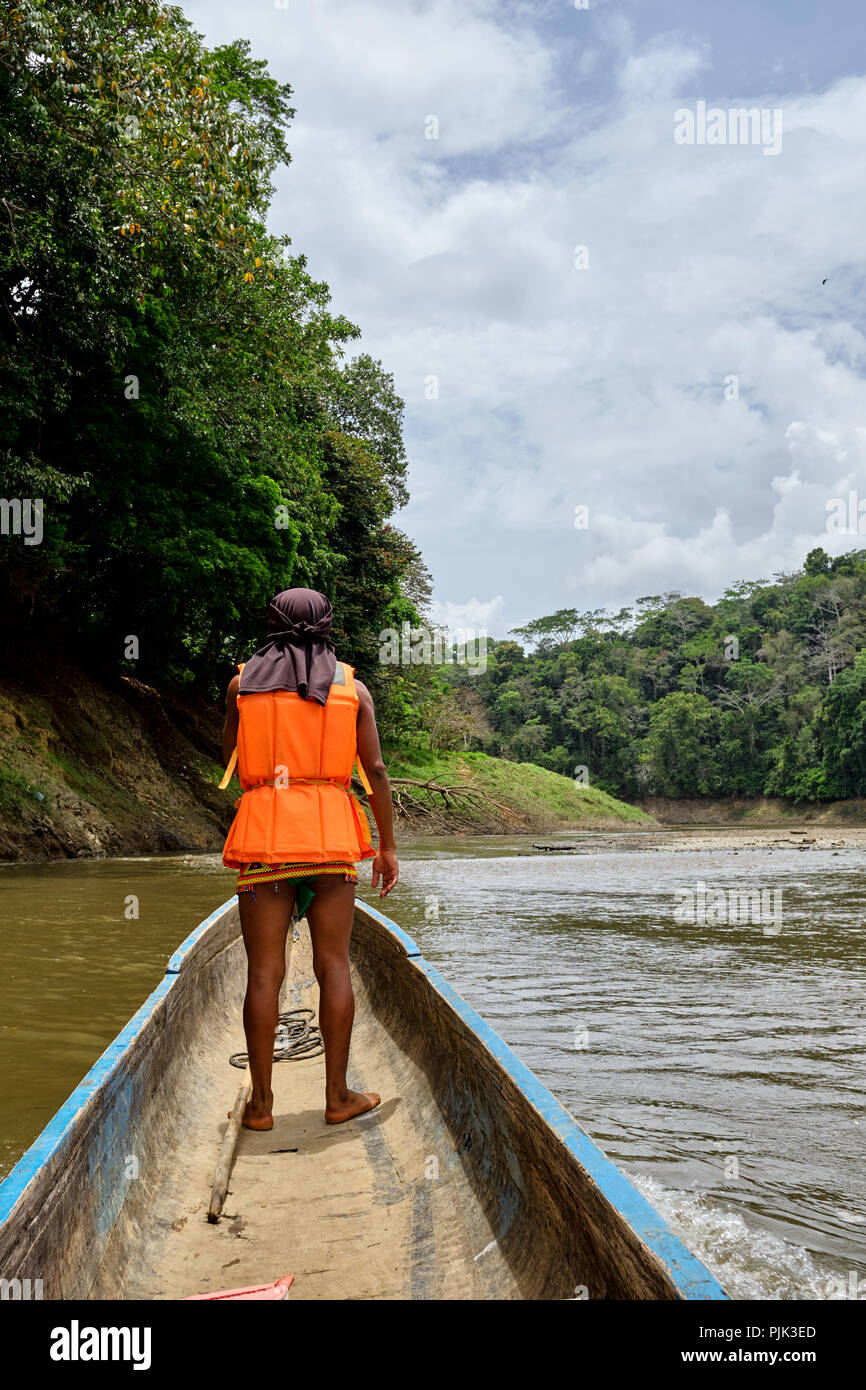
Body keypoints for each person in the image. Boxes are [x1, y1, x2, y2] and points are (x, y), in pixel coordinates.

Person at [220, 587, 399, 1130]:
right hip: (329, 837)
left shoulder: (241, 684)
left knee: (264, 973)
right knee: (334, 966)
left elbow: (229, 750)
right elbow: (377, 773)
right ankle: (338, 1097)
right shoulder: (353, 689)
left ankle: (260, 1107)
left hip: (265, 836)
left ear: (272, 623)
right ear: (327, 626)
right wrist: (387, 847)